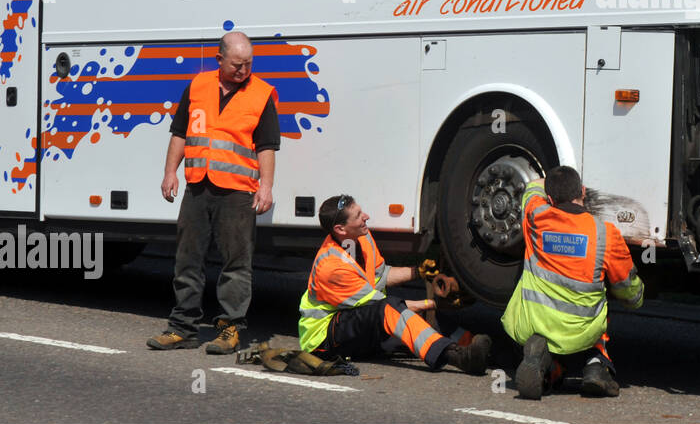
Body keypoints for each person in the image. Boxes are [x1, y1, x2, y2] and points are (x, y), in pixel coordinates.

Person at [147, 32, 279, 354]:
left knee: (236, 263)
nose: (243, 70)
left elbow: (267, 146)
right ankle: (183, 329)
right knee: (187, 259)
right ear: (219, 60)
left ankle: (230, 329)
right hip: (197, 186)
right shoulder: (197, 86)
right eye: (236, 64)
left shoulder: (261, 94)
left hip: (236, 192)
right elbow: (180, 134)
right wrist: (169, 172)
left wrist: (266, 185)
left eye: (248, 64)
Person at [299, 195, 492, 375]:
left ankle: (479, 352)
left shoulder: (361, 237)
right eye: (358, 215)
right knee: (395, 311)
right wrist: (433, 304)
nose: (366, 216)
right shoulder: (332, 267)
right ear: (341, 229)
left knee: (413, 321)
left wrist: (420, 271)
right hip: (325, 339)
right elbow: (379, 305)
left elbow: (381, 276)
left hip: (357, 323)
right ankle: (457, 356)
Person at [502, 166, 644, 399]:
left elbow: (530, 189)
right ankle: (596, 364)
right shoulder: (605, 233)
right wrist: (637, 299)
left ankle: (547, 364)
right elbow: (627, 289)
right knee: (604, 294)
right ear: (584, 191)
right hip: (581, 332)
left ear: (549, 199)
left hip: (531, 323)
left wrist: (551, 178)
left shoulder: (536, 216)